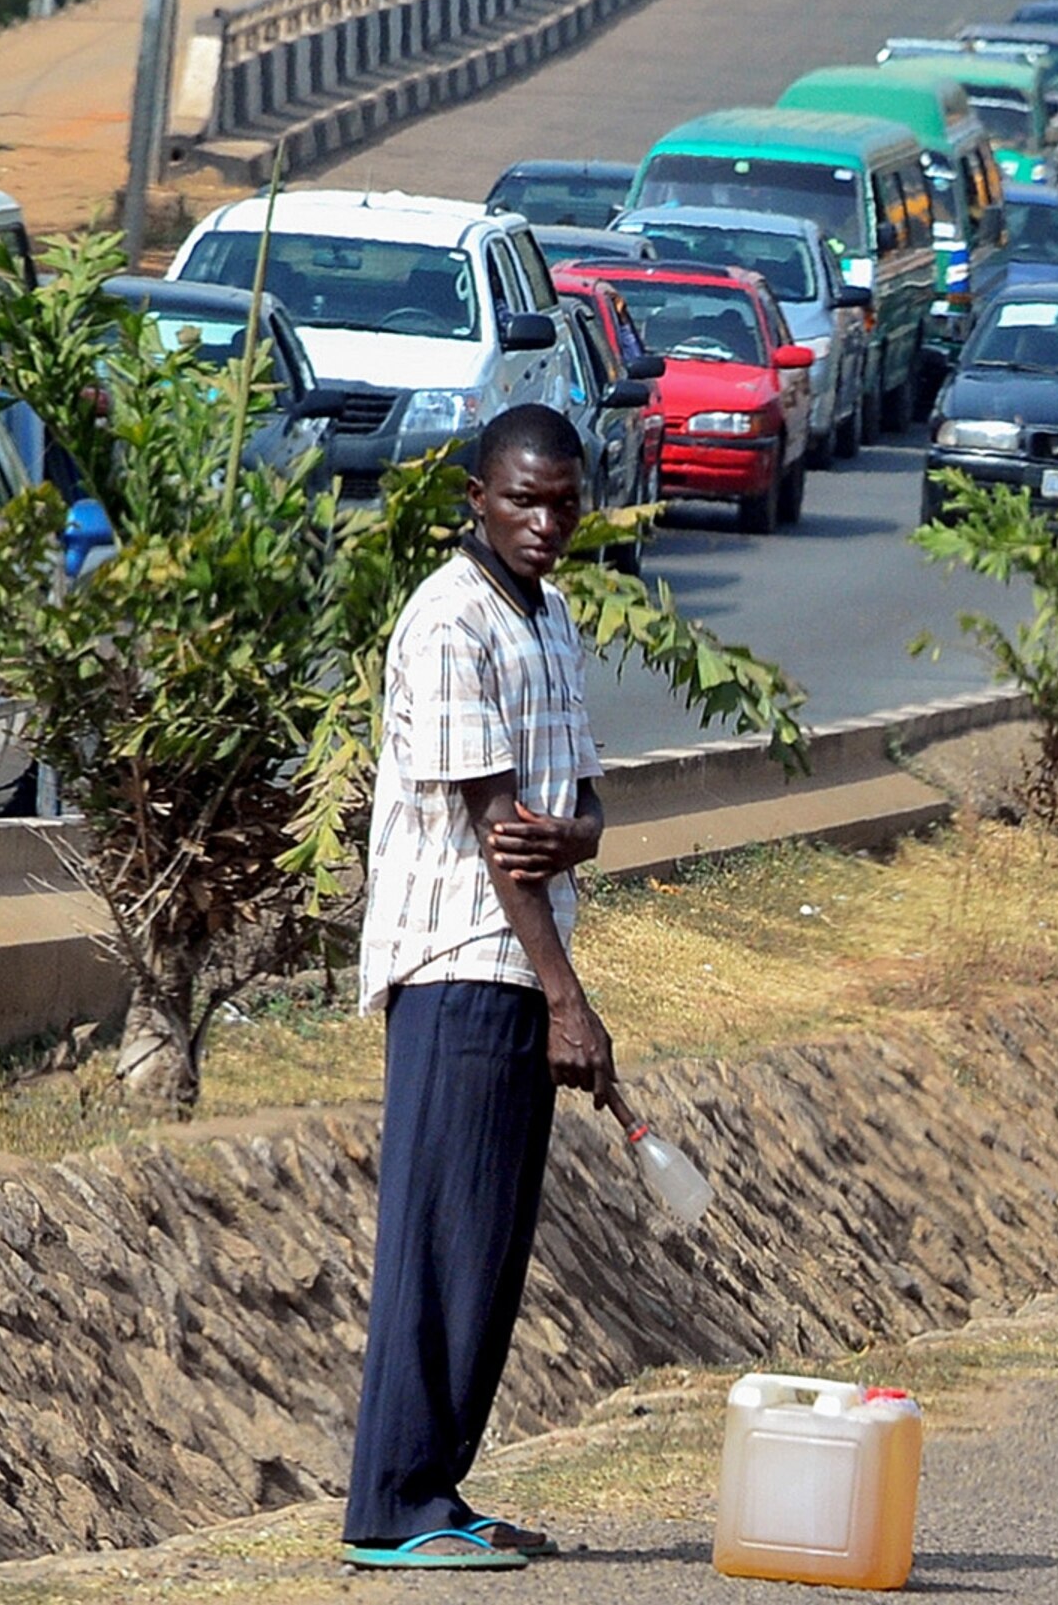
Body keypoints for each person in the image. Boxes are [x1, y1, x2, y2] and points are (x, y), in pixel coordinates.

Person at [342, 405, 615, 1574]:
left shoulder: (546, 616)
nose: (546, 523)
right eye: (523, 500)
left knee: (487, 1247)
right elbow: (500, 833)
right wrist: (569, 1001)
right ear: (477, 499)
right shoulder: (450, 617)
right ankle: (391, 1507)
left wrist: (581, 842)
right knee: (437, 1242)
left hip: (521, 965)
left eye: (563, 502)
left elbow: (581, 806)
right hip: (462, 967)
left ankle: (438, 1492)